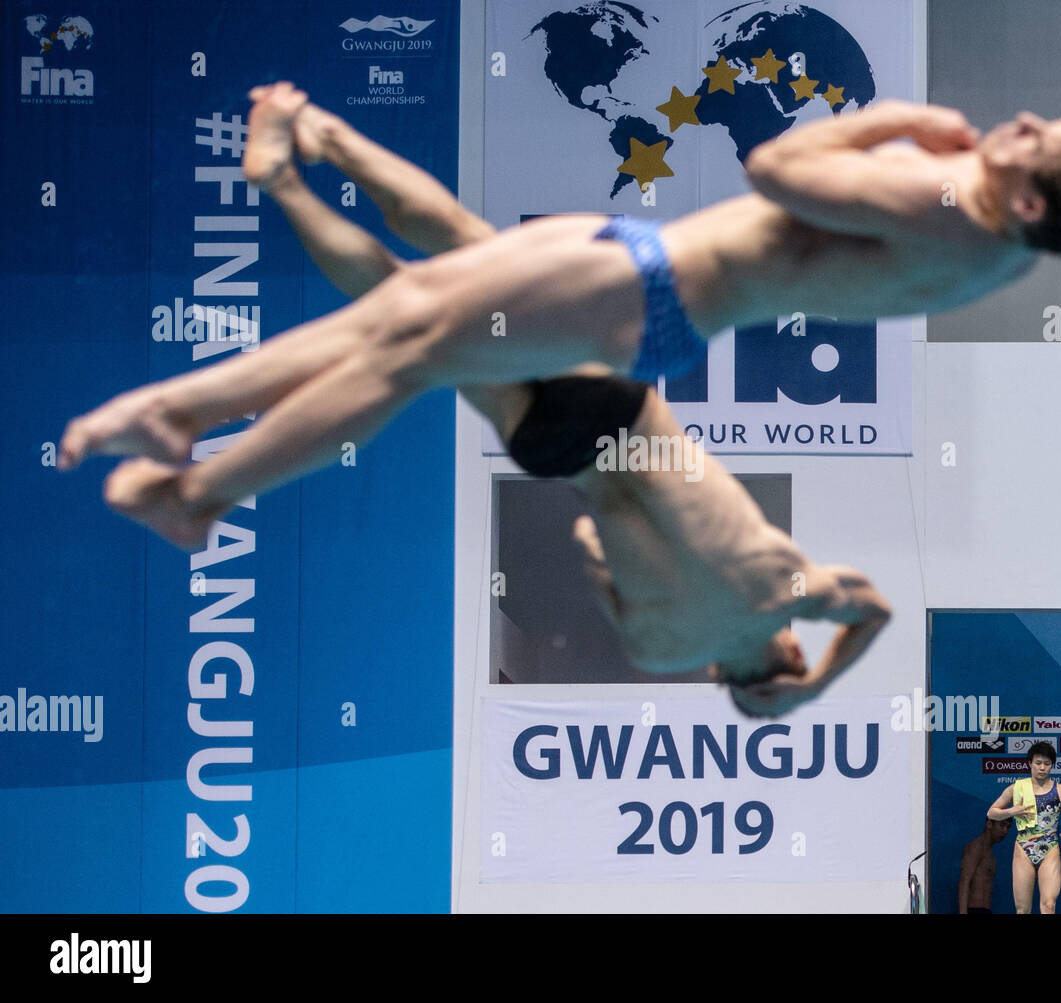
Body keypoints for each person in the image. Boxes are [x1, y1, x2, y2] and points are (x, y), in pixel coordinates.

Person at [57, 63, 1061, 556]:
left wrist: (899, 118)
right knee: (406, 331)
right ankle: (193, 463)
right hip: (647, 287)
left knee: (400, 334)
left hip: (645, 287)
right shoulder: (1014, 238)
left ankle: (190, 454)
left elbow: (780, 163)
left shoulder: (941, 195)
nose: (1023, 114)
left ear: (1024, 191)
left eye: (1040, 135)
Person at [202, 84, 893, 717]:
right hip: (553, 449)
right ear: (721, 671)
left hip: (613, 407)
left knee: (467, 246)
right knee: (397, 311)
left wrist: (821, 685)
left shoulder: (789, 586)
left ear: (795, 655)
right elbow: (591, 539)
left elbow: (874, 611)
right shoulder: (660, 650)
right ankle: (285, 185)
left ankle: (330, 137)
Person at [985, 742, 1061, 914]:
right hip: (1023, 849)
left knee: (1049, 905)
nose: (1042, 768)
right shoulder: (1017, 788)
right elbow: (991, 813)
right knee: (1022, 910)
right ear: (1030, 763)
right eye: (1038, 763)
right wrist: (1011, 811)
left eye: (1047, 764)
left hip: (1050, 849)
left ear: (1052, 765)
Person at [957, 817, 1012, 914]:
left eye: (1008, 827)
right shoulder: (976, 847)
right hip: (973, 910)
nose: (1005, 831)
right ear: (989, 824)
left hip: (986, 910)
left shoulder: (990, 854)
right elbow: (964, 881)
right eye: (1002, 825)